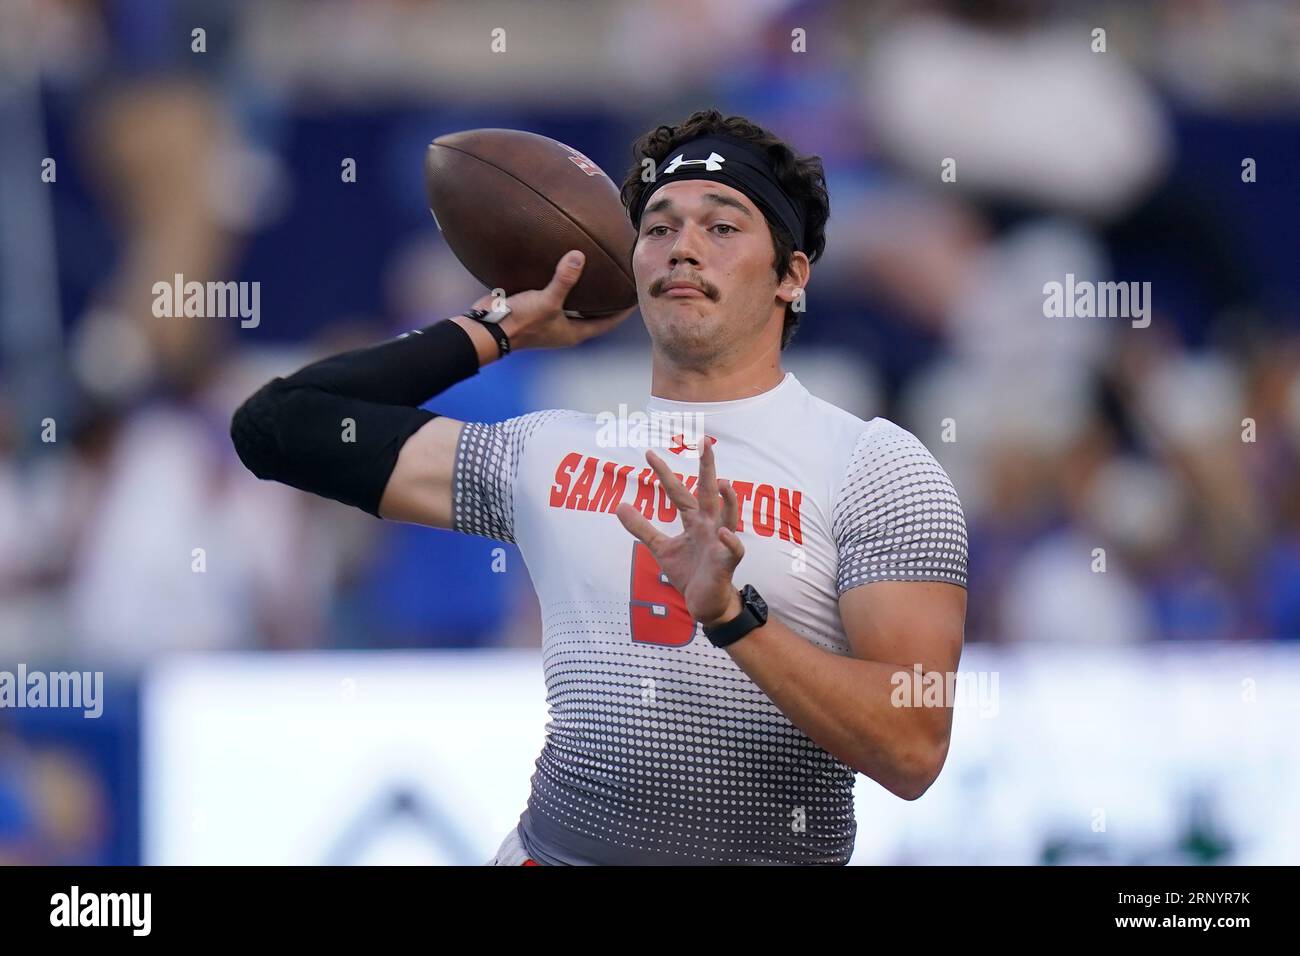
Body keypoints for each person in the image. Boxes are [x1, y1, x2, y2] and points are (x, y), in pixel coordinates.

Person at [231, 109, 968, 865]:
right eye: (657, 227)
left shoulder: (874, 468)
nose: (682, 247)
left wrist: (732, 618)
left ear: (791, 274)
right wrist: (495, 328)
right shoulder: (551, 451)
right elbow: (277, 425)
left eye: (722, 227)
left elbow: (912, 750)